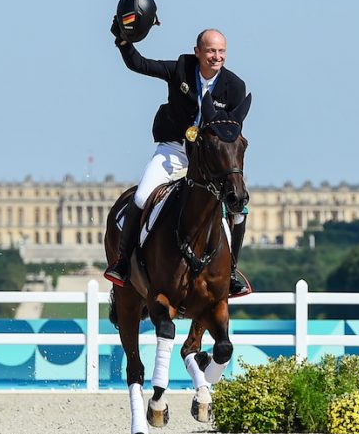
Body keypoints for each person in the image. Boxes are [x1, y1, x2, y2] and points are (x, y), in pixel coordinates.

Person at [106, 19, 252, 296]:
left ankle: (231, 270)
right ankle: (124, 262)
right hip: (173, 150)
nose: (216, 57)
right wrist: (123, 41)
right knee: (140, 196)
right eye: (211, 51)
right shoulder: (181, 69)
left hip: (210, 159)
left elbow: (231, 135)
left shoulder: (235, 87)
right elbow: (140, 64)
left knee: (239, 209)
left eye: (221, 52)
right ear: (197, 51)